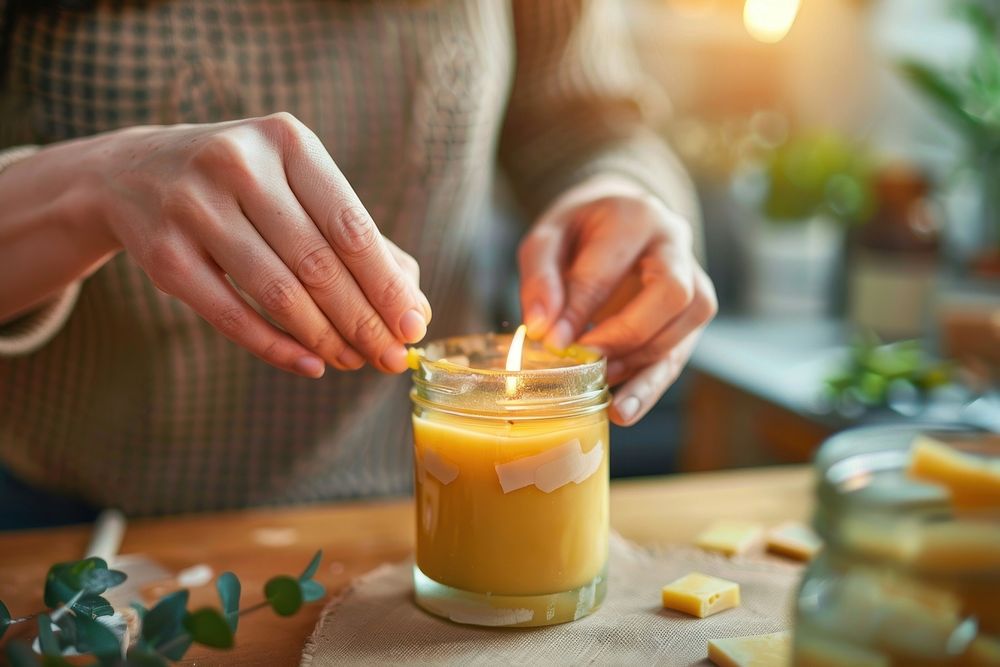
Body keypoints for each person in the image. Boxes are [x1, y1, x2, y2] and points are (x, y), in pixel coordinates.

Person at [0, 0, 716, 523]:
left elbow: (579, 116)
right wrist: (92, 186)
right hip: (70, 520)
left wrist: (628, 191)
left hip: (410, 508)